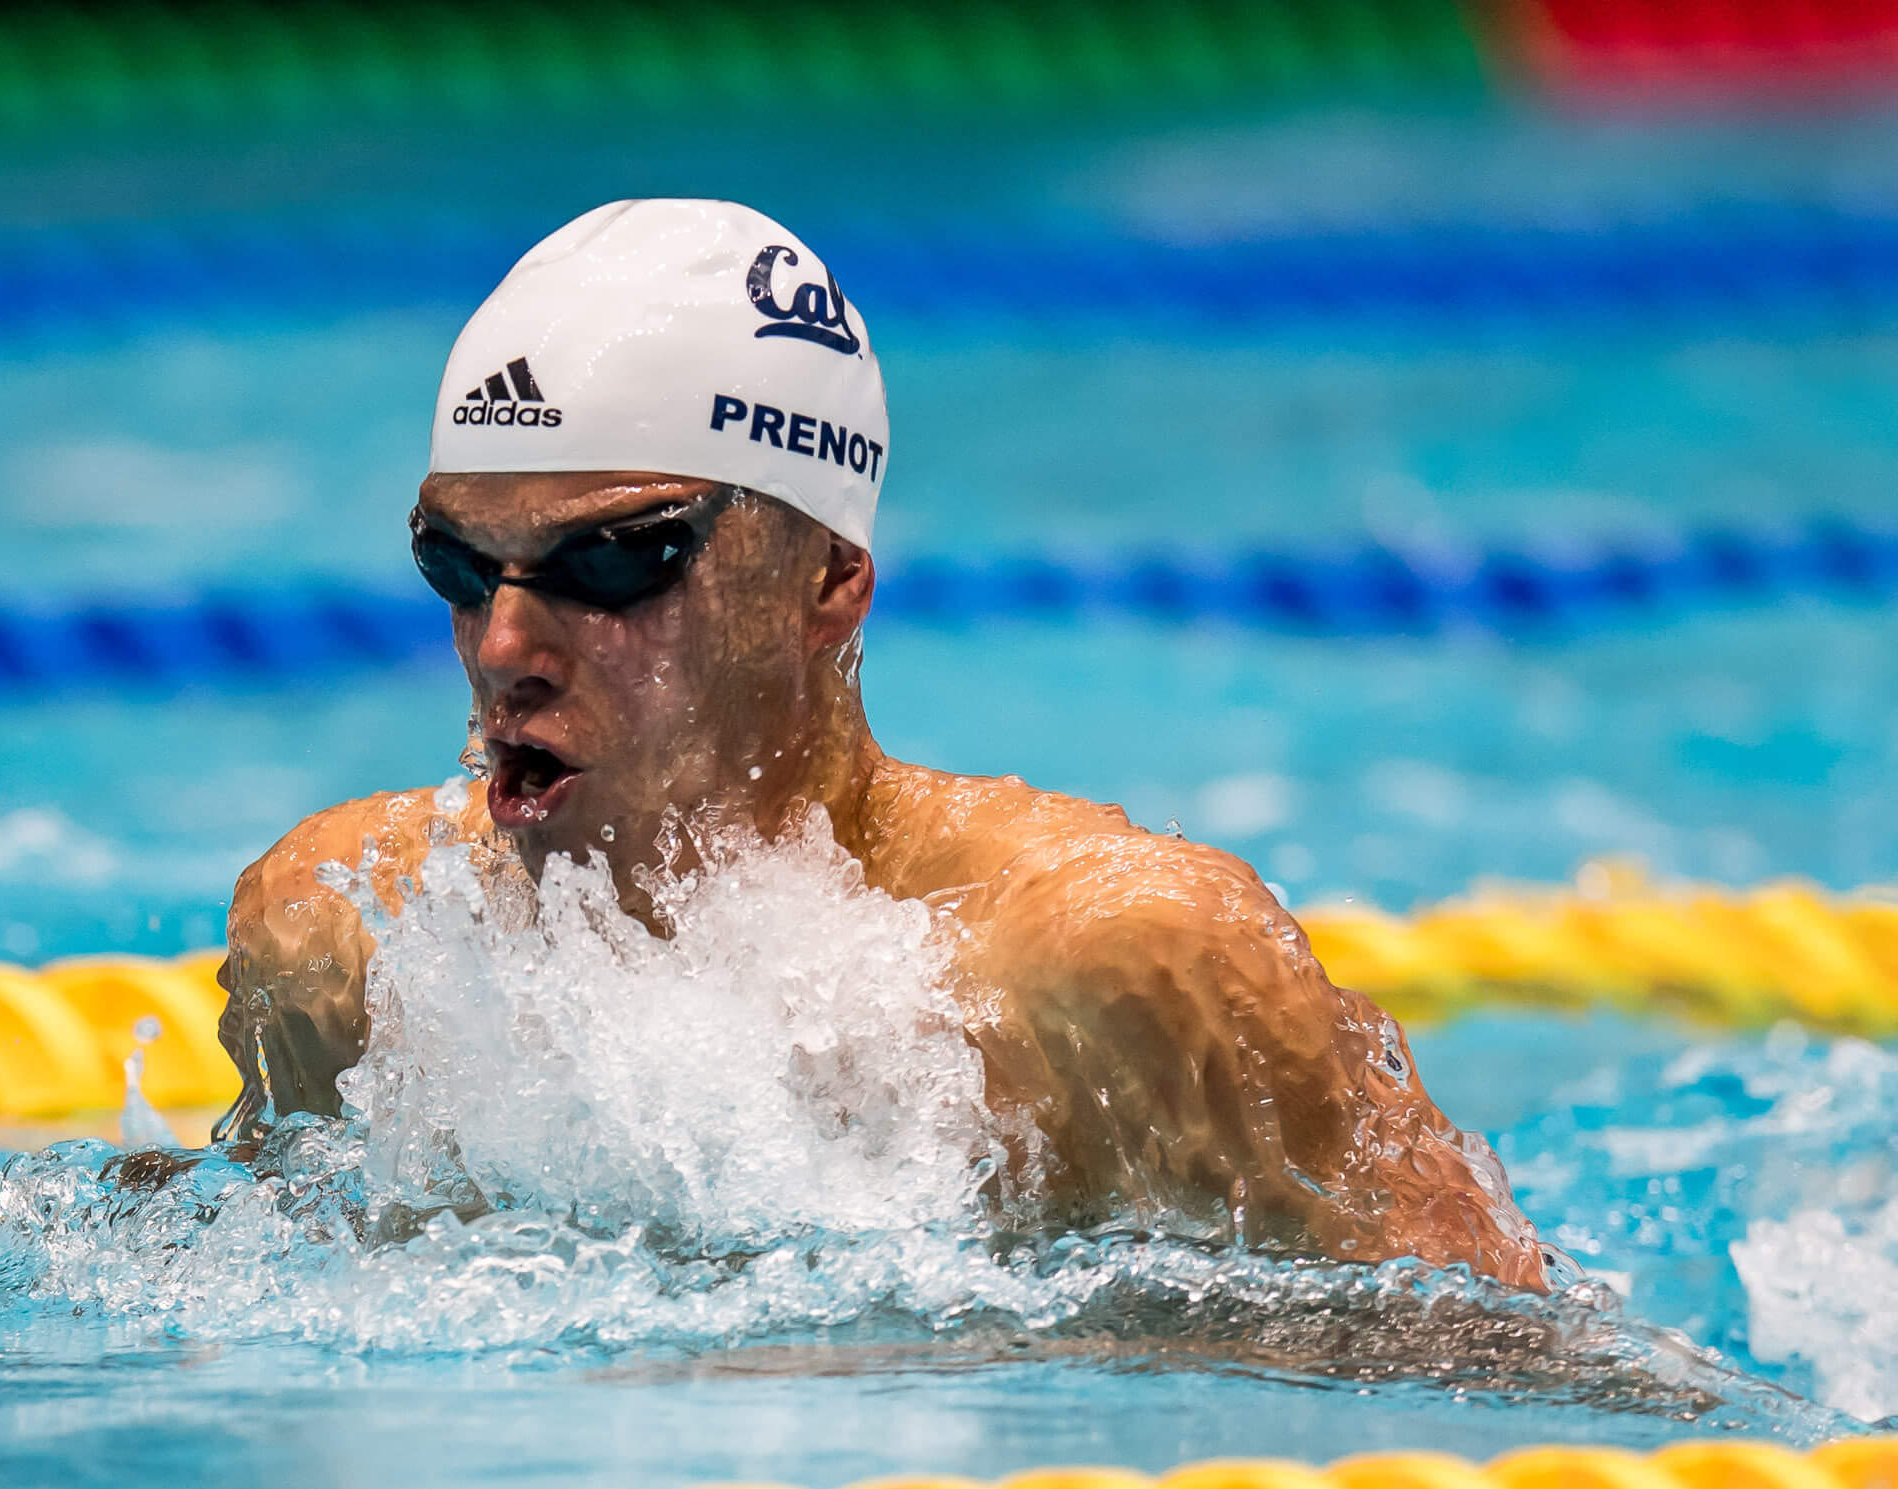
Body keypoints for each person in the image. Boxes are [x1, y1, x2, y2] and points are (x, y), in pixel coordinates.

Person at [214, 199, 1547, 1291]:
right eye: (458, 564)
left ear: (828, 581)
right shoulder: (353, 944)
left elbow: (1501, 1378)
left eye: (614, 561)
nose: (504, 646)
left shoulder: (1107, 963)